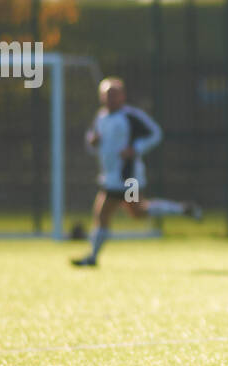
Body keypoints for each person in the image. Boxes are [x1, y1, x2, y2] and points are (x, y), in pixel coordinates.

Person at [72, 77, 201, 267]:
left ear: (122, 96)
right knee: (136, 211)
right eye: (107, 95)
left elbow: (155, 133)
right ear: (101, 97)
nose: (111, 99)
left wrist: (136, 149)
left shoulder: (131, 116)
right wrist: (92, 142)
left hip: (128, 177)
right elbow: (92, 141)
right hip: (110, 176)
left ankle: (92, 257)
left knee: (107, 213)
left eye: (114, 95)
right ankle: (182, 210)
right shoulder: (100, 117)